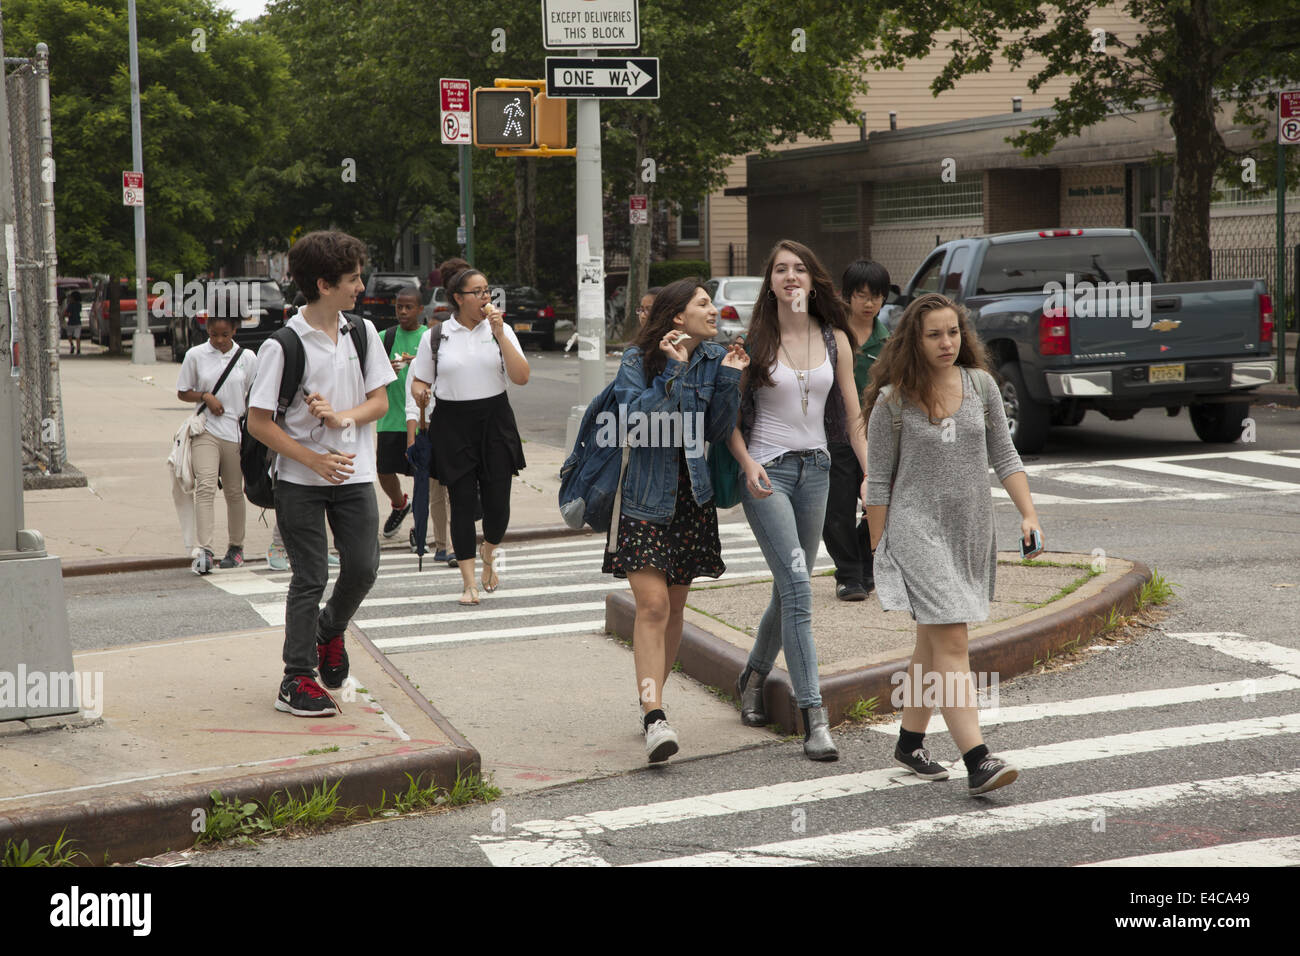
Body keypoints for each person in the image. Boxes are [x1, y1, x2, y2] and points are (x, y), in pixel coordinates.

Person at [863, 292, 1043, 795]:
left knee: (932, 642)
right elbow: (878, 483)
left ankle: (909, 739)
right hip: (914, 528)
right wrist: (881, 549)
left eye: (953, 332)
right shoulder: (892, 402)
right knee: (954, 638)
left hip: (969, 529)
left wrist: (1028, 514)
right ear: (913, 342)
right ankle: (978, 758)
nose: (947, 342)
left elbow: (1004, 455)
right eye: (934, 334)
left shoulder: (981, 385)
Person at [726, 239, 869, 762]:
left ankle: (752, 677)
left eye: (799, 269)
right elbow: (727, 418)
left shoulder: (835, 339)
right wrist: (748, 464)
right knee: (800, 590)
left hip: (818, 471)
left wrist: (871, 469)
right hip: (767, 475)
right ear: (771, 283)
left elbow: (852, 412)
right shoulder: (754, 342)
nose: (791, 277)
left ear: (812, 281)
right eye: (781, 269)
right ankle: (815, 718)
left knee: (791, 587)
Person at [246, 230, 396, 718]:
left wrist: (341, 418)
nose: (361, 286)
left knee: (363, 569)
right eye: (353, 279)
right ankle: (296, 678)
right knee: (309, 576)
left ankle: (329, 632)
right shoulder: (283, 344)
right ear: (325, 283)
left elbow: (380, 401)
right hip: (300, 482)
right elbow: (258, 422)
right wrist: (311, 458)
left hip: (354, 475)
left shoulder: (362, 332)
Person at [602, 277, 747, 763]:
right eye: (704, 304)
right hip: (645, 498)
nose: (715, 310)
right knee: (653, 607)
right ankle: (655, 716)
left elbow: (718, 430)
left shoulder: (714, 358)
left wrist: (729, 379)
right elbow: (635, 424)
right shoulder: (635, 361)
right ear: (677, 317)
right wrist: (673, 373)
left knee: (676, 606)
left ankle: (651, 703)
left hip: (692, 498)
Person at [409, 266, 529, 605]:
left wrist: (501, 334)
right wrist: (420, 392)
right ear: (458, 299)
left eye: (487, 290)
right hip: (452, 422)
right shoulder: (435, 335)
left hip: (495, 420)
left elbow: (521, 377)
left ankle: (489, 554)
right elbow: (421, 379)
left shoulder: (499, 331)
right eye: (477, 292)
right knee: (460, 503)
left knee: (497, 506)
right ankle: (468, 582)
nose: (485, 297)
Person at [823, 260, 891, 601]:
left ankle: (866, 564)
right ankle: (848, 574)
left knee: (876, 502)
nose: (869, 303)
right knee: (835, 508)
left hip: (877, 437)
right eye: (861, 295)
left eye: (876, 296)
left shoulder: (890, 343)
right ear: (846, 296)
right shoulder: (830, 337)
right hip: (835, 434)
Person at [176, 313, 258, 573]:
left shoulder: (247, 358)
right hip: (205, 430)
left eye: (225, 334)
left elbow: (256, 393)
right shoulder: (196, 355)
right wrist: (204, 396)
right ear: (206, 330)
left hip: (235, 432)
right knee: (206, 486)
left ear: (235, 330)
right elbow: (182, 391)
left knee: (234, 491)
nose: (219, 340)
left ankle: (236, 547)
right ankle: (205, 550)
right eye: (213, 335)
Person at [375, 287, 427, 539]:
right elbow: (368, 379)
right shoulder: (384, 338)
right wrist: (387, 375)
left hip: (421, 421)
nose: (403, 311)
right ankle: (399, 504)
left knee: (421, 475)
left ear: (420, 309)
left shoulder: (430, 338)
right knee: (384, 470)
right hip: (390, 419)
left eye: (409, 307)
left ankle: (419, 526)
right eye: (399, 307)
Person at [63, 289, 83, 355]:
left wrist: (66, 314)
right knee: (77, 337)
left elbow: (66, 313)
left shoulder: (70, 305)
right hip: (78, 322)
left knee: (69, 335)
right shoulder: (79, 305)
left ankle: (72, 345)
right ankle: (78, 349)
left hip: (71, 323)